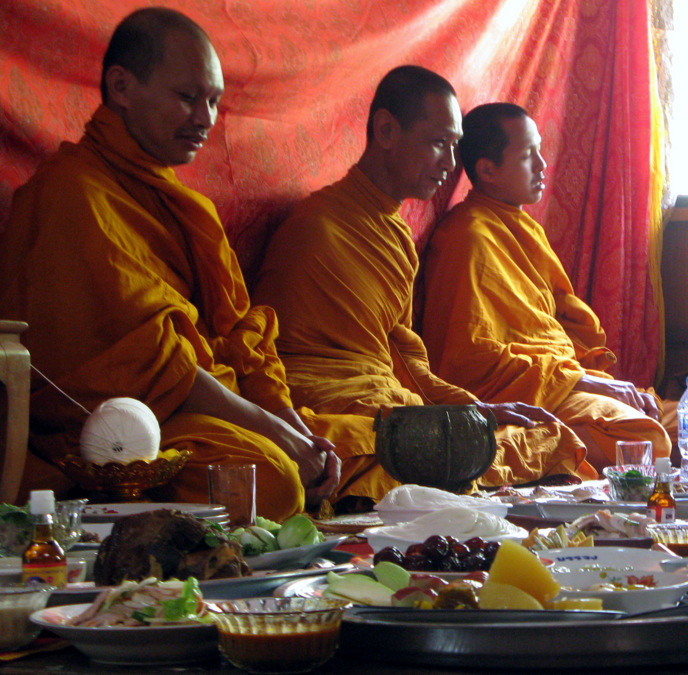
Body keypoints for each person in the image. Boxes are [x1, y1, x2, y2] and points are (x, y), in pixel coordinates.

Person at [0, 7, 398, 518]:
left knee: (342, 447)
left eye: (213, 101)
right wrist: (273, 431)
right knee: (267, 480)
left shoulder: (186, 206)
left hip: (198, 408)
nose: (206, 119)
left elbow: (241, 336)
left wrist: (288, 423)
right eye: (188, 98)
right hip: (115, 425)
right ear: (121, 87)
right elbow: (153, 359)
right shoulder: (71, 194)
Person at [252, 67, 597, 486]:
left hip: (392, 400)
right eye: (438, 144)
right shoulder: (317, 226)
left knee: (544, 436)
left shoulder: (396, 236)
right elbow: (281, 364)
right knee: (399, 450)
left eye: (455, 147)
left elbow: (406, 359)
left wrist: (476, 409)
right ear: (386, 130)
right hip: (330, 402)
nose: (450, 164)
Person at [419, 103, 672, 469]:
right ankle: (505, 453)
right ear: (487, 170)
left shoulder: (522, 228)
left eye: (539, 150)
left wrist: (588, 380)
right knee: (645, 440)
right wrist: (589, 384)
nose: (542, 165)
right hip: (529, 396)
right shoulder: (468, 238)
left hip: (563, 382)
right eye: (527, 155)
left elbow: (553, 327)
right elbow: (471, 364)